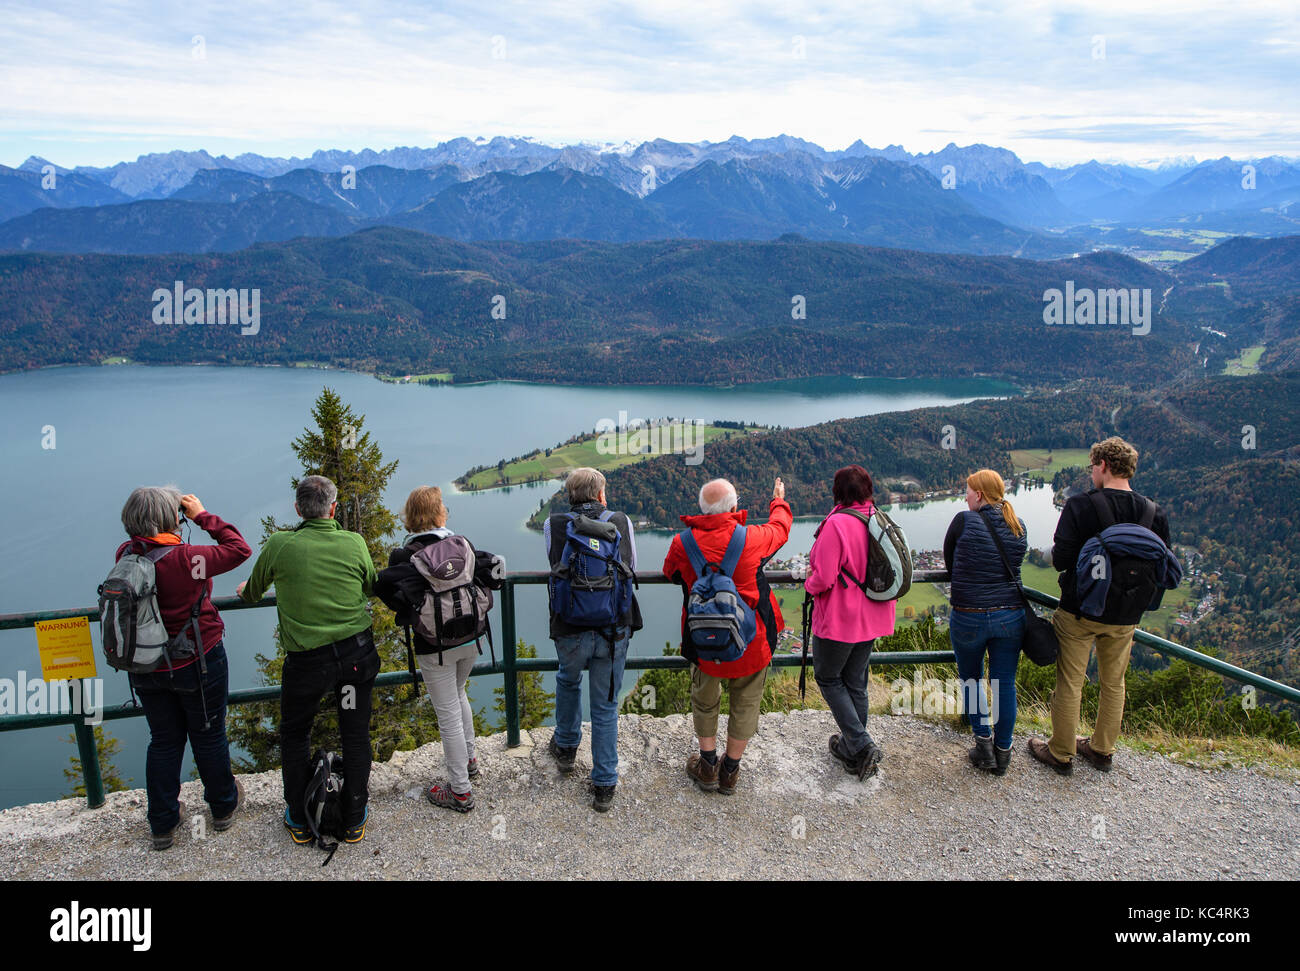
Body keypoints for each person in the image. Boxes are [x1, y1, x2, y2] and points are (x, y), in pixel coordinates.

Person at [237, 475, 380, 843]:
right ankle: (353, 819)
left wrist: (244, 588)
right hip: (353, 657)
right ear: (333, 508)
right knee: (354, 733)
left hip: (308, 665)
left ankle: (300, 820)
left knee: (296, 733)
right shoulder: (353, 542)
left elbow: (251, 593)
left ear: (298, 509)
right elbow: (369, 585)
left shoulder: (281, 545)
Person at [116, 487, 251, 850]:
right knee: (208, 734)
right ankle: (222, 807)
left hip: (145, 666)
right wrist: (202, 515)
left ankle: (162, 822)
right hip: (197, 661)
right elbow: (239, 549)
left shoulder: (126, 554)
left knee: (163, 740)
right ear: (171, 518)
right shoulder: (187, 558)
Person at [1029, 437, 1172, 775]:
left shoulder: (1080, 505)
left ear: (1103, 466)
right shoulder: (1153, 512)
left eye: (1093, 466)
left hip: (1080, 611)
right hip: (1126, 614)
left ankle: (1061, 753)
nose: (1092, 472)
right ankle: (1101, 749)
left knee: (1070, 682)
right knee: (1114, 683)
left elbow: (1062, 558)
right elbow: (1161, 562)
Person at [375, 485, 502, 813]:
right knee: (459, 695)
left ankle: (460, 791)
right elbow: (493, 573)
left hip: (434, 646)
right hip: (472, 638)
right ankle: (471, 762)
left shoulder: (405, 556)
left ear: (411, 516)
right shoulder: (462, 544)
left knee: (447, 713)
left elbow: (386, 591)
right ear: (439, 513)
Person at [664, 476, 791, 795]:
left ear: (701, 510)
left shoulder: (683, 543)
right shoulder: (752, 538)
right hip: (751, 639)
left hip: (703, 641)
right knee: (746, 703)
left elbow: (670, 572)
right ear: (734, 507)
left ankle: (707, 766)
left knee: (705, 702)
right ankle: (730, 772)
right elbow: (781, 529)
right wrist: (778, 500)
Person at [543, 467, 642, 812]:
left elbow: (555, 563)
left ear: (570, 495)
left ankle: (567, 748)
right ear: (601, 495)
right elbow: (630, 565)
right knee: (606, 704)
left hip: (570, 625)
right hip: (613, 628)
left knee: (567, 681)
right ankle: (604, 784)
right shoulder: (620, 521)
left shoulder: (555, 525)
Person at [804, 465, 895, 779]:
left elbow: (824, 577)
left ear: (837, 492)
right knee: (856, 681)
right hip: (874, 615)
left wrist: (808, 585)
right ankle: (850, 748)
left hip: (843, 618)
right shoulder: (878, 518)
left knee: (828, 678)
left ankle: (861, 743)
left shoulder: (837, 524)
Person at [943, 469, 1027, 776]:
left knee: (972, 679)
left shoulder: (964, 521)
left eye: (967, 491)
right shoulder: (1019, 526)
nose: (964, 496)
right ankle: (1003, 752)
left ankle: (983, 745)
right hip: (1010, 615)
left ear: (979, 494)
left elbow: (950, 563)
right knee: (1005, 682)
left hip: (970, 615)